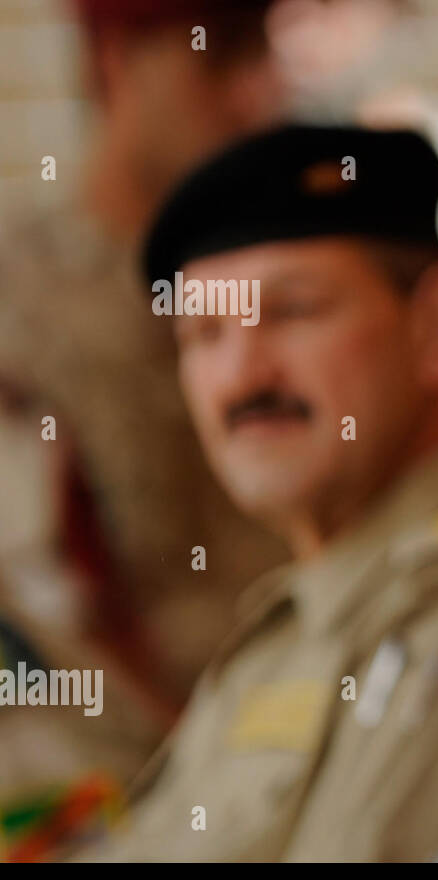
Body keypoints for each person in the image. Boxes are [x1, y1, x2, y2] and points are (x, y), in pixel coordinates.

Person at [71, 124, 438, 861]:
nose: (242, 377)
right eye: (204, 333)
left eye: (292, 310)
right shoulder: (309, 612)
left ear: (436, 327)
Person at [0, 0, 290, 816]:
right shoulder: (23, 301)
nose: (255, 93)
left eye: (263, 52)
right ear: (120, 63)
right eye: (219, 54)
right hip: (112, 796)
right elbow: (56, 610)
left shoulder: (291, 275)